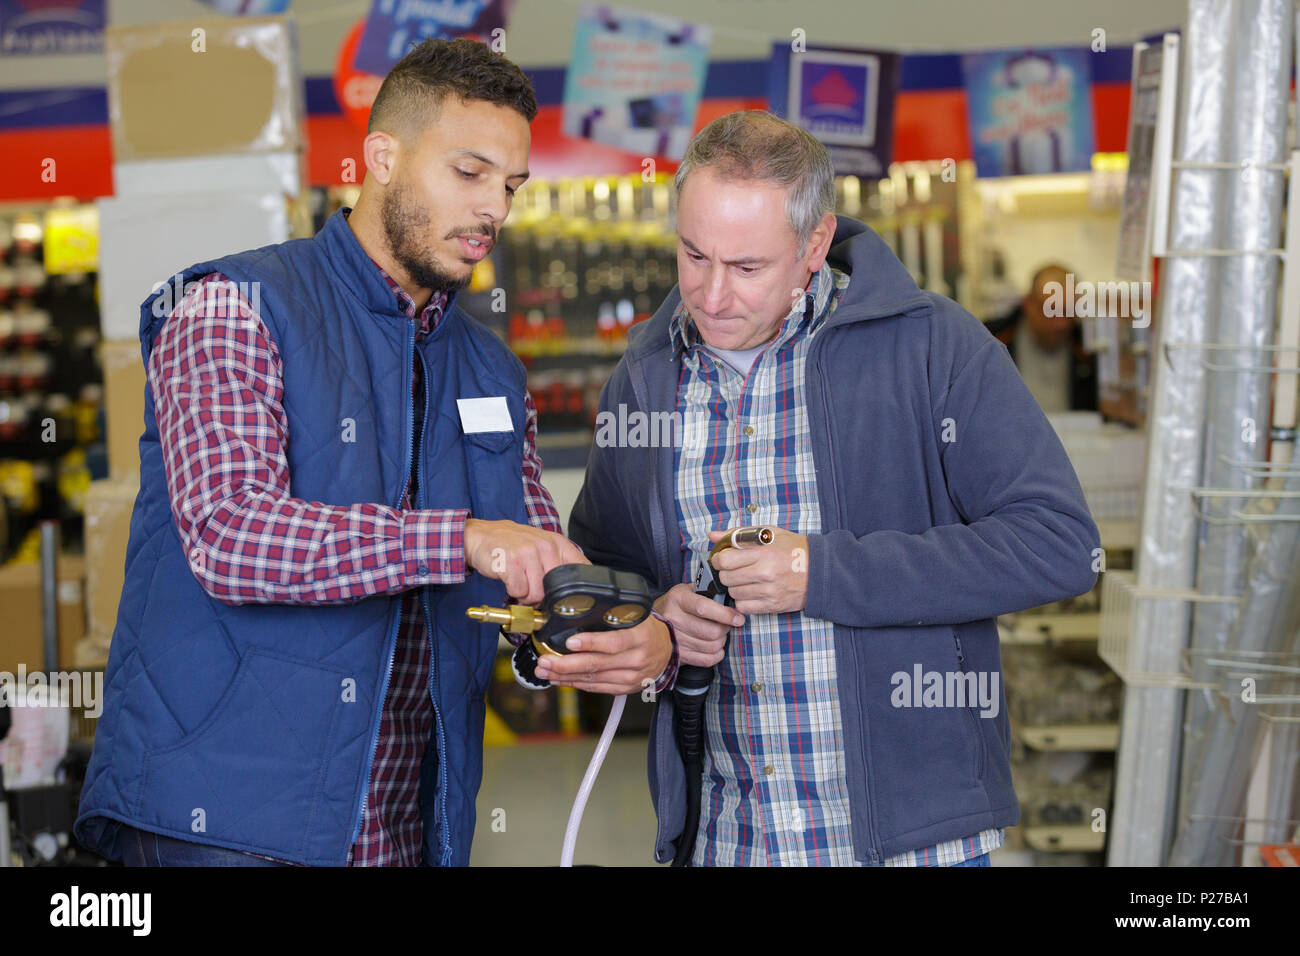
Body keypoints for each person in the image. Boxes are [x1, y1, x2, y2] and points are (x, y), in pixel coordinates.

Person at [74, 38, 672, 868]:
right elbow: (231, 537)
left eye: (511, 185)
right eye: (469, 172)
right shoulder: (232, 307)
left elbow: (527, 583)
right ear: (381, 157)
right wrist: (459, 538)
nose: (495, 208)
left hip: (411, 825)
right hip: (229, 822)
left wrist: (592, 644)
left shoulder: (492, 368)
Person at [560, 111, 1100, 866]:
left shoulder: (933, 346)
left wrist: (822, 572)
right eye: (692, 254)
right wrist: (655, 615)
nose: (711, 295)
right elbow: (605, 568)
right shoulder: (644, 381)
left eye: (747, 267)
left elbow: (1061, 546)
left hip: (915, 843)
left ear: (815, 245)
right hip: (731, 837)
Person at [985, 263, 1098, 413]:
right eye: (1051, 310)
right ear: (1029, 304)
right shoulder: (992, 340)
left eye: (1069, 311)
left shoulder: (1088, 348)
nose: (1061, 324)